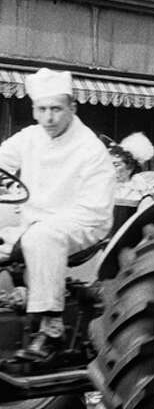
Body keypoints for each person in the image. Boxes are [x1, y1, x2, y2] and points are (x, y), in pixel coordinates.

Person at [0, 69, 116, 367]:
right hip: (34, 222)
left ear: (72, 108)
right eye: (42, 110)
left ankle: (52, 330)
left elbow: (96, 209)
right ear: (34, 110)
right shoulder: (29, 138)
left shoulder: (90, 148)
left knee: (43, 236)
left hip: (82, 222)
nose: (49, 118)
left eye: (56, 109)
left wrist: (41, 226)